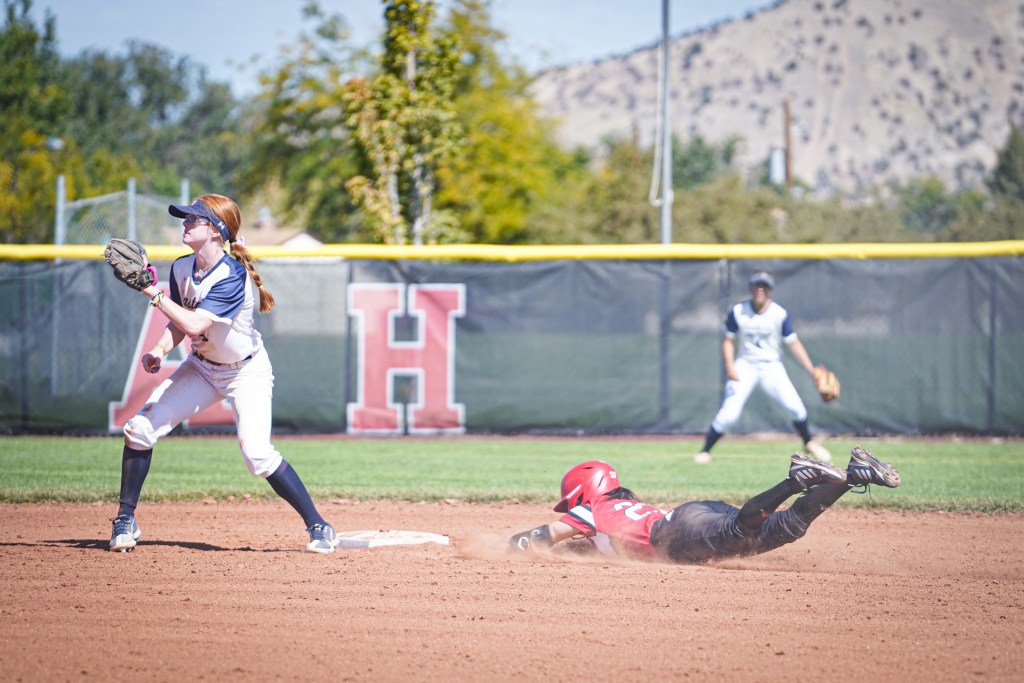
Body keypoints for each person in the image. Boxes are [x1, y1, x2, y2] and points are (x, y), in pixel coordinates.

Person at [108, 194, 340, 554]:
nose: (185, 222)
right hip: (201, 369)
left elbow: (196, 320)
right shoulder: (182, 267)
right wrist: (160, 349)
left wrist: (149, 289)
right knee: (139, 430)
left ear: (217, 231)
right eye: (184, 218)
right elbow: (180, 323)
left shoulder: (231, 276)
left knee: (258, 455)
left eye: (193, 219)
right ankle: (125, 519)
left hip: (246, 372)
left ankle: (319, 525)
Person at [508, 447, 900, 563]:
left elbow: (549, 534)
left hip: (678, 533)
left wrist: (507, 545)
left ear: (583, 491)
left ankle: (795, 477)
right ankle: (853, 476)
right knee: (785, 529)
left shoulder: (592, 510)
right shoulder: (618, 513)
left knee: (737, 533)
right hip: (687, 517)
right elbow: (593, 545)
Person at [695, 271, 832, 465]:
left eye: (764, 286)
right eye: (757, 286)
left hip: (771, 366)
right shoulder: (739, 311)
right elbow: (727, 340)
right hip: (745, 365)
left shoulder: (778, 313)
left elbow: (793, 343)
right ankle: (705, 450)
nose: (760, 289)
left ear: (770, 290)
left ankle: (808, 442)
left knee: (795, 407)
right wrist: (730, 367)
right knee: (729, 415)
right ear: (751, 289)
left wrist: (811, 370)